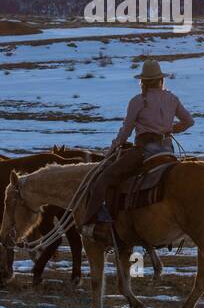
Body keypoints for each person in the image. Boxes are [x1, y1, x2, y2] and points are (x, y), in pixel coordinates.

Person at [82, 59, 194, 241]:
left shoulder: (138, 101)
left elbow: (126, 130)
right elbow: (189, 121)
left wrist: (112, 149)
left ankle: (95, 222)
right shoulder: (172, 98)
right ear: (160, 79)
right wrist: (170, 129)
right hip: (167, 150)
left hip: (145, 150)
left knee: (106, 177)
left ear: (143, 80)